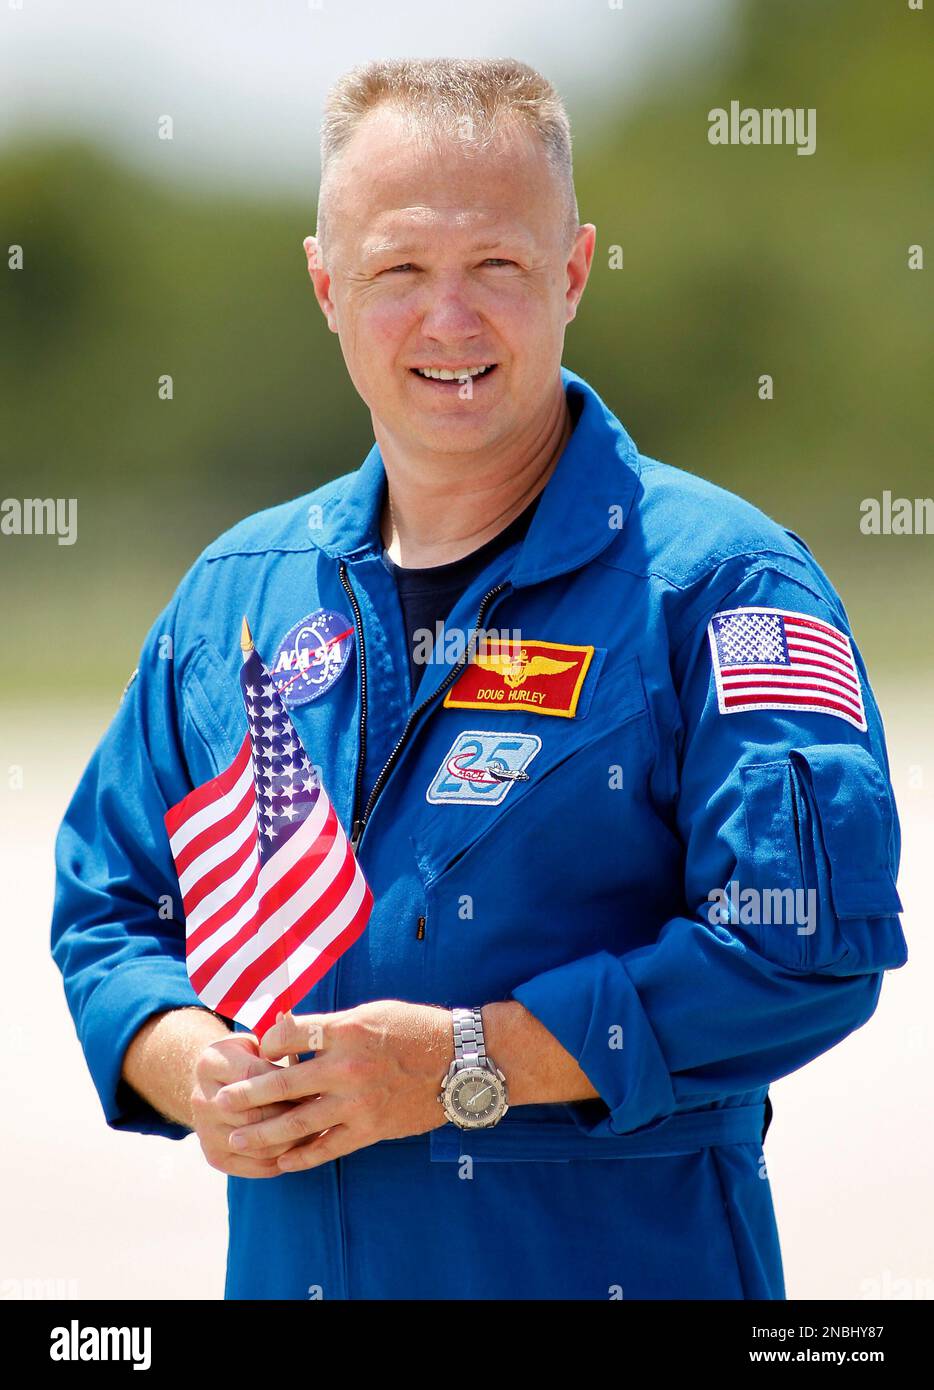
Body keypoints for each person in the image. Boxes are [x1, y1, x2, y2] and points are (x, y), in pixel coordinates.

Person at [51, 57, 907, 1300]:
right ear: (325, 283)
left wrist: (471, 1059)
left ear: (571, 272)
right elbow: (108, 907)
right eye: (398, 269)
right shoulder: (234, 601)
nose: (449, 321)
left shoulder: (720, 589)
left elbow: (806, 952)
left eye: (496, 266)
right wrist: (186, 1060)